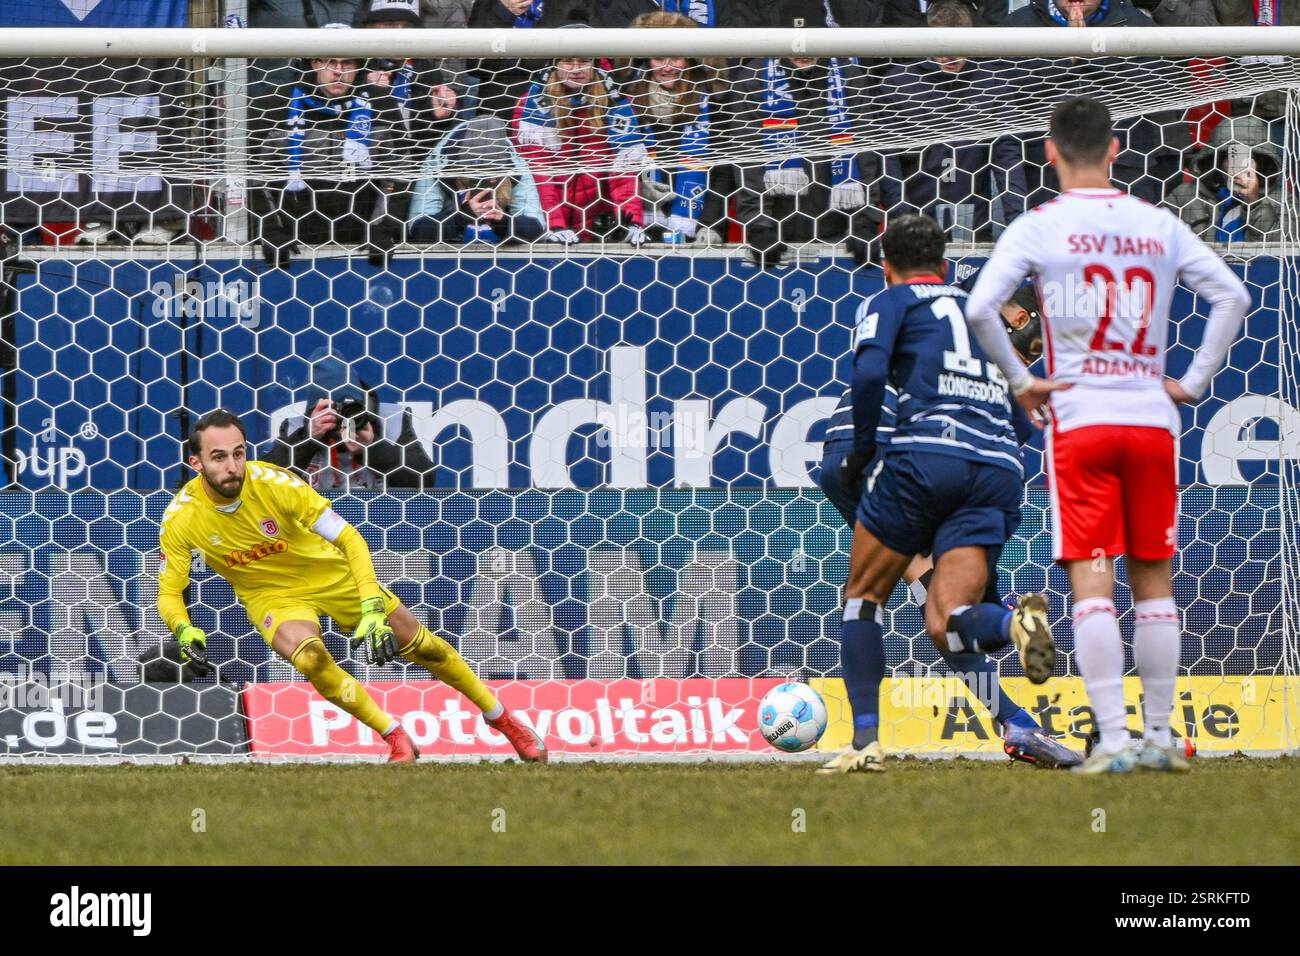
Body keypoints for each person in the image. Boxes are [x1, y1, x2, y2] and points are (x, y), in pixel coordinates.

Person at [965, 96, 1250, 773]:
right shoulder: (1157, 223)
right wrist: (1192, 382)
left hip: (1081, 418)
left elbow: (980, 307)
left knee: (1092, 579)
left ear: (1050, 152)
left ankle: (1114, 742)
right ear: (1116, 150)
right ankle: (1159, 739)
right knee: (1154, 577)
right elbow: (1232, 296)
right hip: (1151, 418)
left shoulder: (1040, 227)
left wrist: (1021, 379)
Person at [158, 409, 546, 763]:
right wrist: (182, 627)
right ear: (196, 463)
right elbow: (170, 592)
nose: (233, 466)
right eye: (219, 457)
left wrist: (372, 606)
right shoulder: (181, 517)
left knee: (425, 648)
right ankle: (394, 736)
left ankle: (504, 721)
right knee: (311, 660)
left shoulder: (276, 483)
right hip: (270, 594)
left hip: (331, 574)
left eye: (239, 453)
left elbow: (350, 538)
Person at [817, 215, 1057, 774]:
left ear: (886, 269)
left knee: (897, 605)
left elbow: (871, 373)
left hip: (899, 460)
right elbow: (1026, 428)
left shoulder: (900, 306)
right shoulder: (982, 332)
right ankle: (1016, 710)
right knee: (955, 612)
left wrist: (860, 458)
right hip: (989, 472)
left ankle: (867, 741)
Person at [732, 0, 883, 270]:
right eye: (794, 43)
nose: (803, 51)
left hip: (838, 234)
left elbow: (866, 154)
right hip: (776, 235)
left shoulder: (850, 77)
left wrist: (864, 223)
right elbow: (748, 159)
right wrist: (760, 225)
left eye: (811, 41)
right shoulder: (753, 80)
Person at [253, 24, 405, 268]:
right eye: (329, 62)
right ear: (314, 63)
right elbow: (257, 174)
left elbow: (399, 172)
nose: (338, 71)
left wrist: (383, 228)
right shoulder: (275, 106)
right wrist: (271, 230)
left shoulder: (382, 106)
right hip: (294, 242)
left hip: (361, 241)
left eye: (347, 63)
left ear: (359, 66)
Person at [877, 0, 1027, 242]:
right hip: (915, 227)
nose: (951, 52)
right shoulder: (898, 84)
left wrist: (1019, 225)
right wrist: (901, 223)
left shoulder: (992, 84)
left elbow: (1008, 162)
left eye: (959, 43)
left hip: (974, 225)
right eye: (942, 43)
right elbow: (888, 162)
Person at [513, 52, 649, 245]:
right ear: (554, 64)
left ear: (596, 64)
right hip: (544, 225)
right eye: (567, 60)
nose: (576, 69)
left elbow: (624, 171)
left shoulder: (616, 104)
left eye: (584, 61)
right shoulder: (530, 105)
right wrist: (554, 224)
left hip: (597, 227)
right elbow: (539, 171)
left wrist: (632, 221)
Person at [623, 10, 733, 245]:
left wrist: (710, 224)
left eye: (675, 58)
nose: (667, 67)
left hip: (700, 226)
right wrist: (638, 190)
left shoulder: (712, 101)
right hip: (641, 226)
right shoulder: (628, 102)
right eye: (658, 58)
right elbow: (618, 165)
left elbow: (723, 172)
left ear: (690, 59)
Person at [263, 362, 437, 490]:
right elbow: (264, 484)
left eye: (348, 410)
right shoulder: (297, 427)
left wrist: (373, 447)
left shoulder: (391, 420)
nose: (342, 421)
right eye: (331, 411)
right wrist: (307, 439)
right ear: (314, 410)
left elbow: (424, 480)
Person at [408, 114, 547, 244]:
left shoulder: (517, 168)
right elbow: (417, 228)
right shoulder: (436, 166)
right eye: (475, 175)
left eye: (492, 174)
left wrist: (503, 222)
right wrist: (461, 217)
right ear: (462, 168)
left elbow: (536, 227)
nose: (484, 181)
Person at [1164, 114, 1287, 244]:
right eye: (1231, 157)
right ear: (1218, 160)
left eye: (1248, 159)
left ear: (1261, 163)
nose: (1239, 166)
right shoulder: (1184, 195)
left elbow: (1282, 251)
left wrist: (1255, 203)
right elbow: (1162, 243)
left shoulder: (1283, 202)